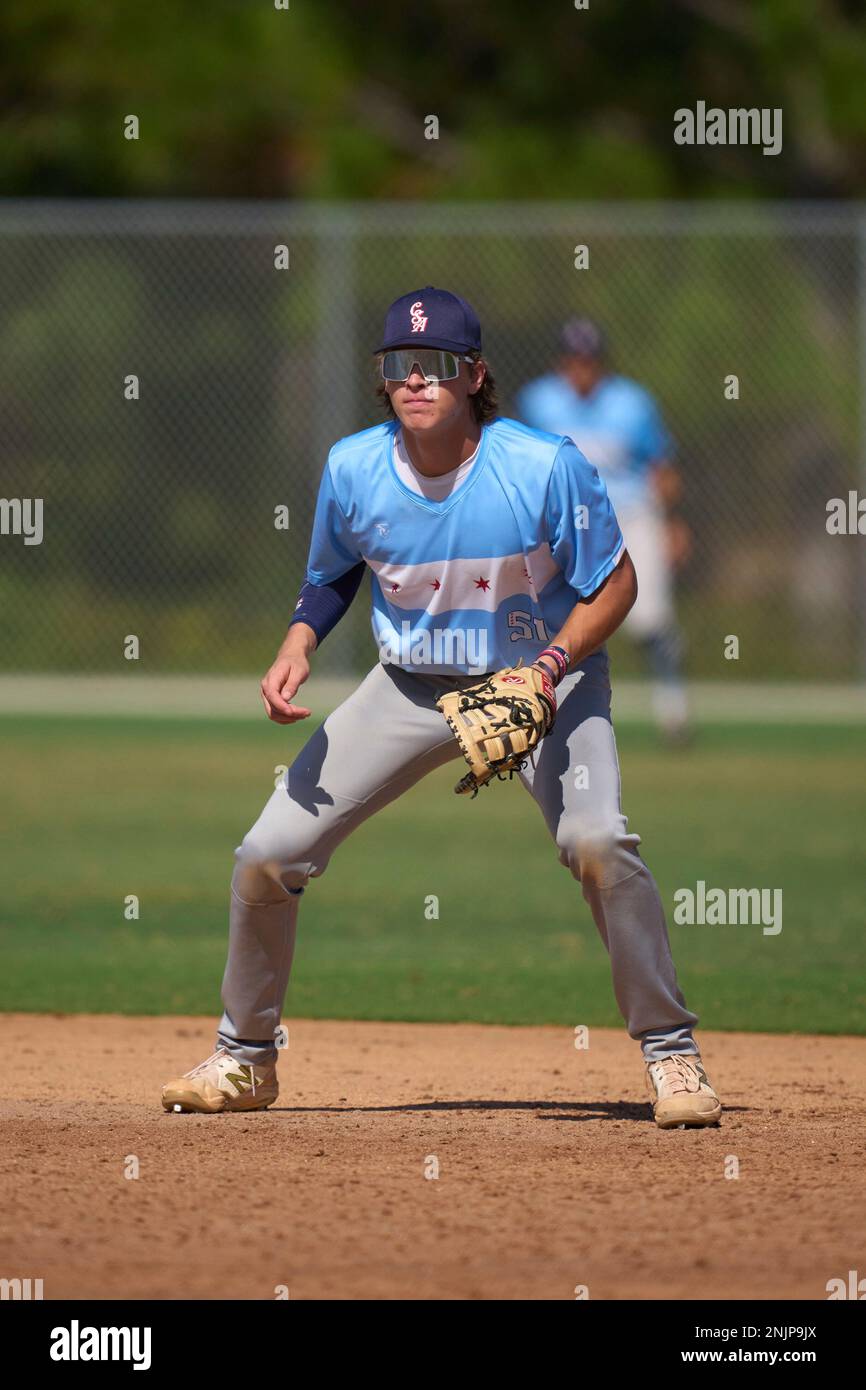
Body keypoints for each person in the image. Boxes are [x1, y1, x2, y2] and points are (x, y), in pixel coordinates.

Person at [161, 287, 721, 1130]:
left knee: (596, 841)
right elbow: (333, 572)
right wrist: (298, 640)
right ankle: (246, 1058)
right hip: (412, 685)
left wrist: (551, 668)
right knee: (267, 854)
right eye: (399, 367)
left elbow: (618, 586)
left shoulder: (541, 465)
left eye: (435, 366)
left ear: (474, 375)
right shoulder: (354, 468)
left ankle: (672, 1054)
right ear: (383, 381)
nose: (416, 380)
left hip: (547, 678)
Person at [517, 319, 691, 742]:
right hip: (562, 524)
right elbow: (520, 464)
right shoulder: (539, 400)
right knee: (544, 615)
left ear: (602, 364)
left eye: (589, 361)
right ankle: (534, 703)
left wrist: (672, 522)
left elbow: (661, 469)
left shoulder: (632, 403)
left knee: (650, 622)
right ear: (561, 363)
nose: (581, 370)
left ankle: (674, 714)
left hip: (631, 517)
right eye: (574, 361)